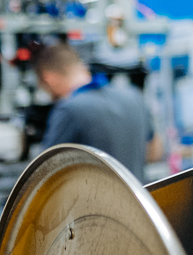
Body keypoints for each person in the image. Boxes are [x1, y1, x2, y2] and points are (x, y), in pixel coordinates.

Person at [34, 43, 163, 178]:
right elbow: (155, 152)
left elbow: (45, 174)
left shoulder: (68, 110)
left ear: (49, 78)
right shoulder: (134, 96)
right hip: (136, 196)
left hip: (94, 199)